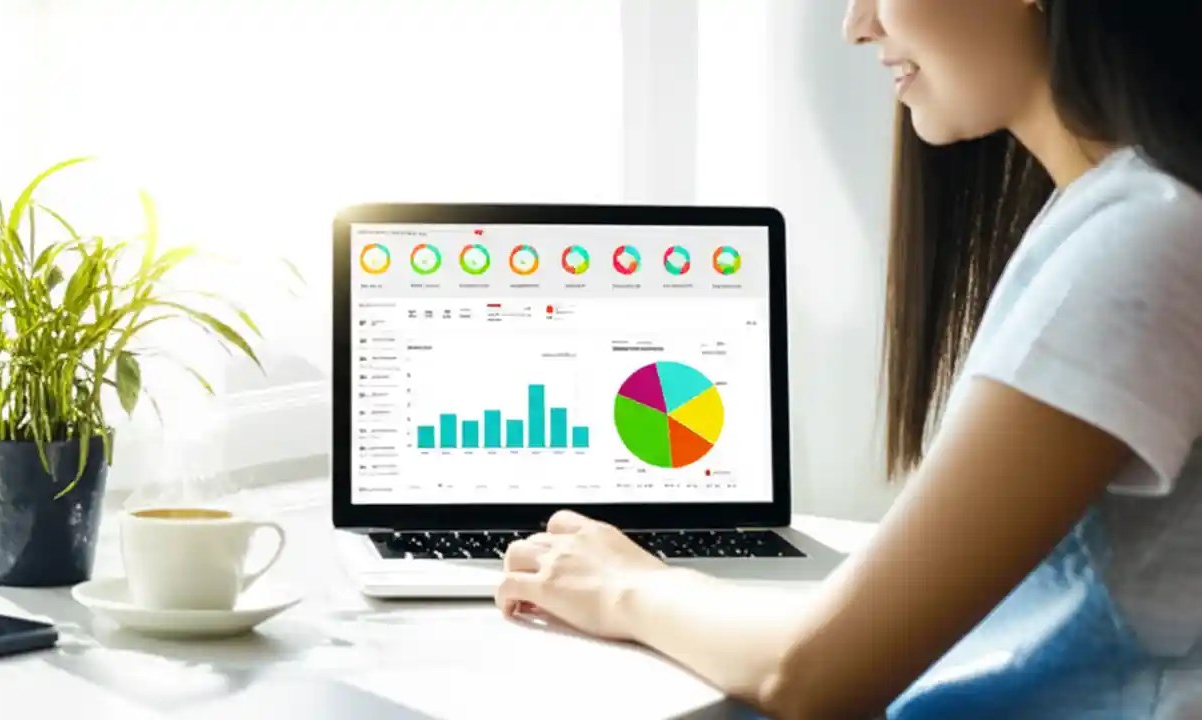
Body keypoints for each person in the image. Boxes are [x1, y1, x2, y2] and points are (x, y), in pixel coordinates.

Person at [494, 1, 1202, 717]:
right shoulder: (1118, 216)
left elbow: (810, 673)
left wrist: (626, 585)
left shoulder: (1144, 239)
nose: (857, 24)